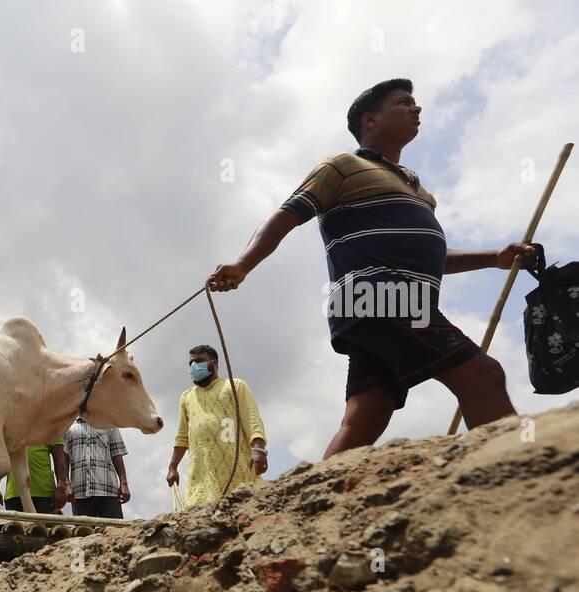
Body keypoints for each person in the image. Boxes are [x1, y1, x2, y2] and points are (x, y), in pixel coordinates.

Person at [207, 78, 539, 458]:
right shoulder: (342, 166)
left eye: (415, 103)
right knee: (483, 375)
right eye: (404, 102)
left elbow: (432, 258)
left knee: (370, 411)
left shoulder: (418, 191)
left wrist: (494, 258)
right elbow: (285, 216)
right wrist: (243, 264)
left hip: (402, 303)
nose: (416, 109)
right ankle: (512, 467)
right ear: (370, 119)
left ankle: (318, 500)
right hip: (380, 297)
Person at [166, 345, 268, 508]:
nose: (193, 366)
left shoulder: (235, 386)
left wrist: (259, 449)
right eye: (191, 363)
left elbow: (252, 419)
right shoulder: (186, 397)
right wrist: (173, 467)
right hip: (200, 475)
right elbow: (182, 436)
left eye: (199, 361)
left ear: (214, 364)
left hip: (235, 471)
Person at [63, 416, 130, 518]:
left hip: (108, 491)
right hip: (80, 493)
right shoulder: (69, 427)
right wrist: (66, 485)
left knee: (114, 529)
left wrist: (124, 484)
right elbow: (64, 458)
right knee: (84, 532)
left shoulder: (109, 424)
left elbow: (117, 454)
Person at [0, 443, 71, 514]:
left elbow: (59, 458)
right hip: (15, 494)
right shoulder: (9, 427)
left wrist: (61, 486)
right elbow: (0, 459)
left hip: (44, 495)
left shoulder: (48, 425)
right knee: (16, 531)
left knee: (43, 530)